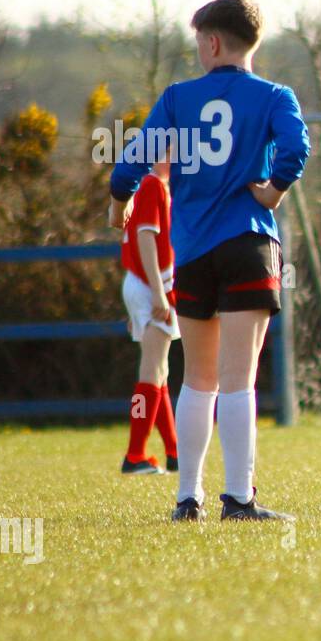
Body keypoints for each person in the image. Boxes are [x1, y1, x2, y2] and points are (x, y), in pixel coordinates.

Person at [108, 0, 309, 522]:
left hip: (192, 252)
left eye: (199, 40)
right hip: (248, 244)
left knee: (197, 378)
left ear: (212, 41)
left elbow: (135, 157)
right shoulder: (275, 96)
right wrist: (275, 191)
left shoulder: (177, 98)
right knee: (238, 379)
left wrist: (119, 197)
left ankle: (186, 499)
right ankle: (239, 499)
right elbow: (296, 148)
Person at [119, 154, 179, 474]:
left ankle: (174, 451)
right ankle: (135, 455)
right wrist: (157, 292)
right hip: (149, 283)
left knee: (159, 371)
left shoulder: (150, 186)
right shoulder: (153, 184)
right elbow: (145, 237)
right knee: (152, 371)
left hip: (142, 283)